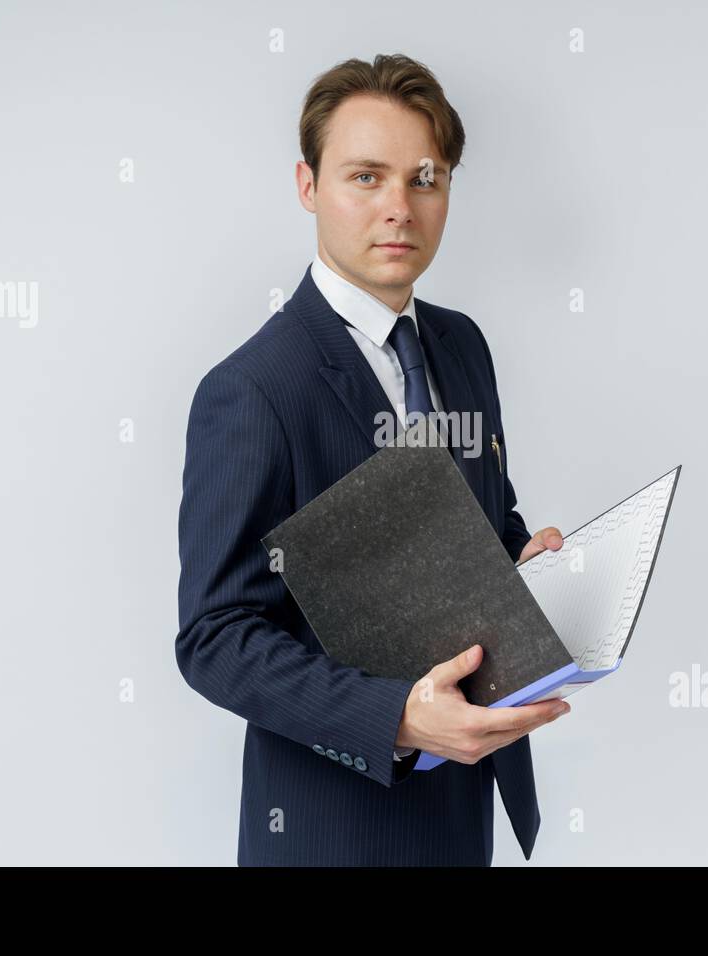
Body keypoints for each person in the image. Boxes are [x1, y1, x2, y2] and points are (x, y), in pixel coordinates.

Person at [176, 53, 569, 866]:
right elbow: (214, 637)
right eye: (365, 177)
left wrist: (523, 569)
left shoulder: (463, 348)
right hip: (332, 831)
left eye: (424, 179)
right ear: (308, 186)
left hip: (461, 814)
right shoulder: (251, 390)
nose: (399, 207)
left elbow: (485, 524)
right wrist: (395, 716)